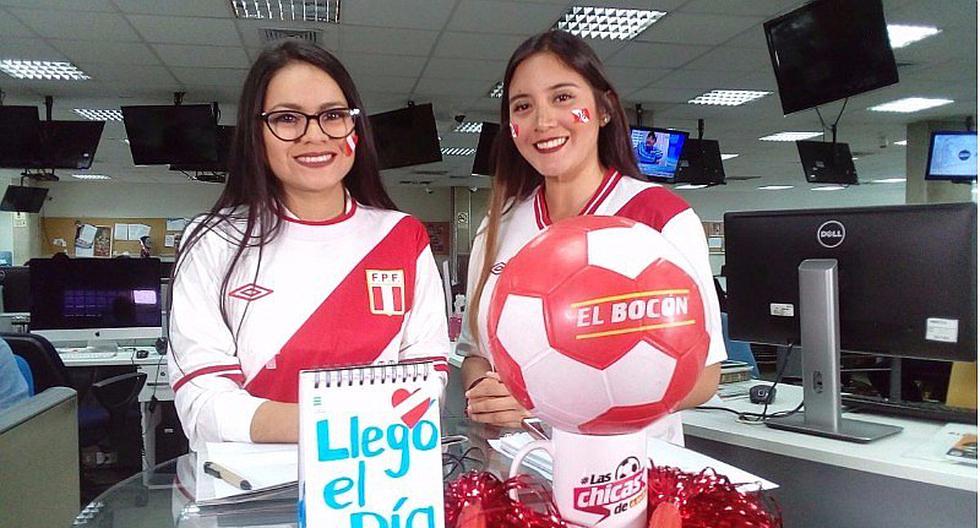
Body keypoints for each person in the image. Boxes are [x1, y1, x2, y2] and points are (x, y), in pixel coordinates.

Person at [168, 41, 449, 450]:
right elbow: (202, 399)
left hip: (381, 480)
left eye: (333, 115)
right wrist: (343, 422)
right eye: (287, 118)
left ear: (355, 127)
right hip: (248, 490)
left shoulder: (403, 236)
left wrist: (349, 425)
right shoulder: (211, 240)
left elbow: (428, 378)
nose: (314, 134)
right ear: (256, 132)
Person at [458, 31, 726, 445]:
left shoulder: (659, 218)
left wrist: (551, 402)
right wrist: (484, 393)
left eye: (562, 97)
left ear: (603, 109)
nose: (543, 121)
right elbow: (476, 354)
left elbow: (704, 376)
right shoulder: (497, 227)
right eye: (523, 106)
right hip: (520, 469)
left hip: (633, 474)